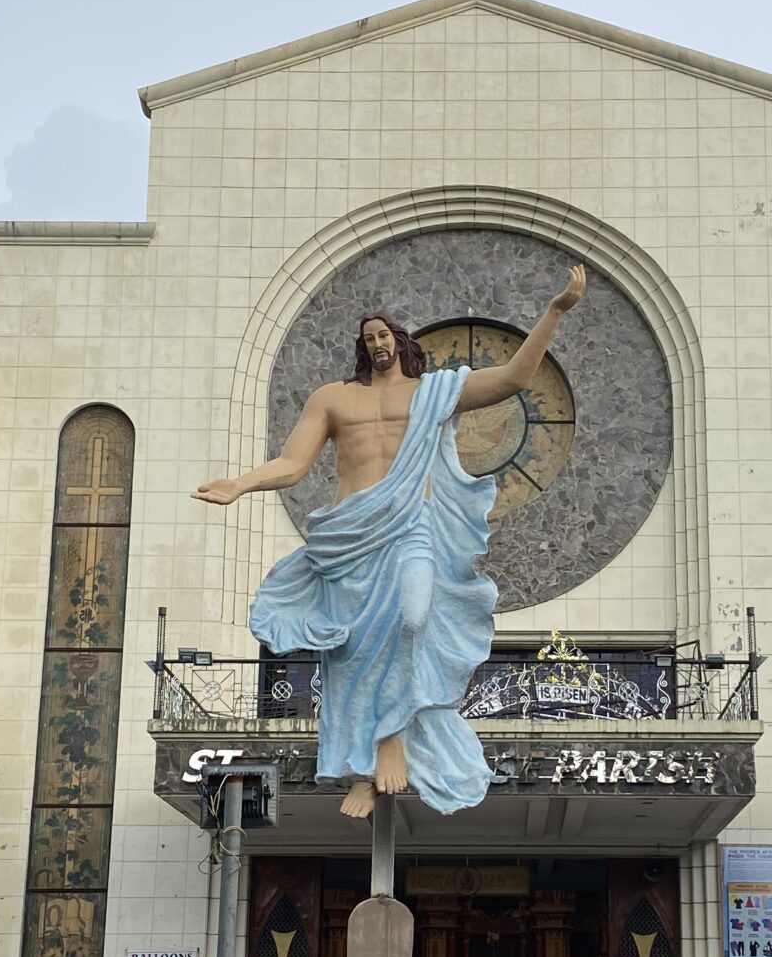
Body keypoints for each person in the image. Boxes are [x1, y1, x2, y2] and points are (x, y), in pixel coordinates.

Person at [195, 268, 587, 818]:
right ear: (363, 347)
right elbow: (293, 462)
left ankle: (394, 739)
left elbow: (514, 379)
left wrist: (555, 311)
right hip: (352, 534)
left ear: (401, 342)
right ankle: (367, 764)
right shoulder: (332, 399)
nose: (377, 344)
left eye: (384, 335)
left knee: (412, 616)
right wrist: (241, 483)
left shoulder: (436, 392)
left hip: (410, 527)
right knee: (353, 654)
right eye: (368, 338)